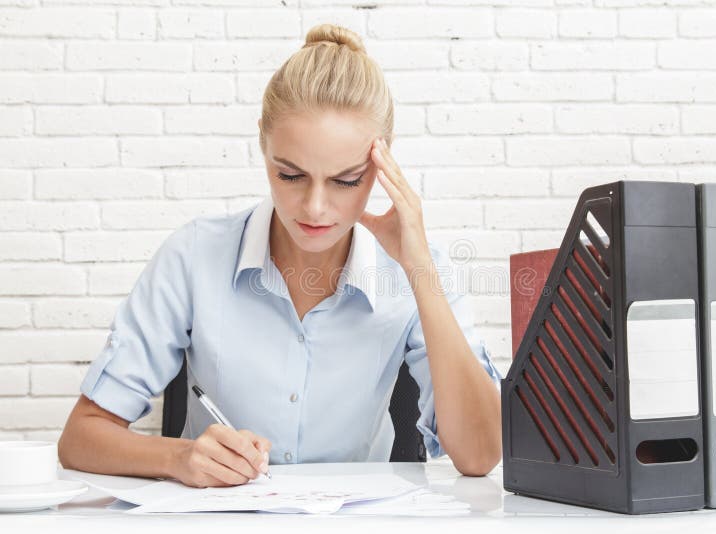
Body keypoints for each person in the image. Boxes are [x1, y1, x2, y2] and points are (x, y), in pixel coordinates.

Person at [58, 24, 503, 488]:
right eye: (290, 174)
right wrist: (179, 457)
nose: (314, 208)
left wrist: (419, 271)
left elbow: (480, 456)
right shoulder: (194, 256)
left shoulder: (415, 269)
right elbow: (80, 438)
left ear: (381, 163)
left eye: (346, 180)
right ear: (263, 146)